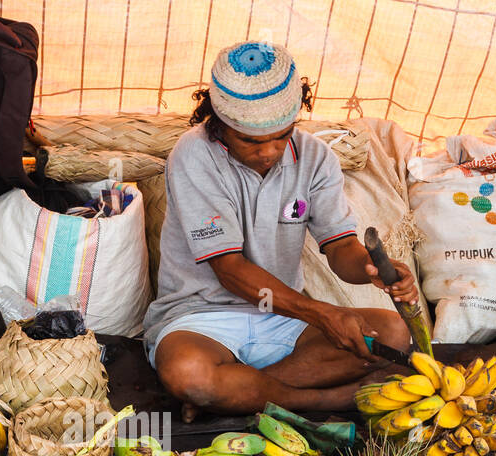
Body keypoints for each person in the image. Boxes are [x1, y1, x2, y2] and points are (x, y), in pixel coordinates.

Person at [145, 41, 420, 420]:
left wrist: (373, 268)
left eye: (282, 135)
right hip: (200, 317)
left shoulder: (316, 157)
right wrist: (320, 313)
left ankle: (235, 391)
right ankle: (322, 401)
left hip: (283, 316)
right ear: (219, 123)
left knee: (391, 333)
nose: (269, 152)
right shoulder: (193, 154)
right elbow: (229, 270)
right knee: (189, 372)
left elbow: (340, 247)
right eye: (251, 141)